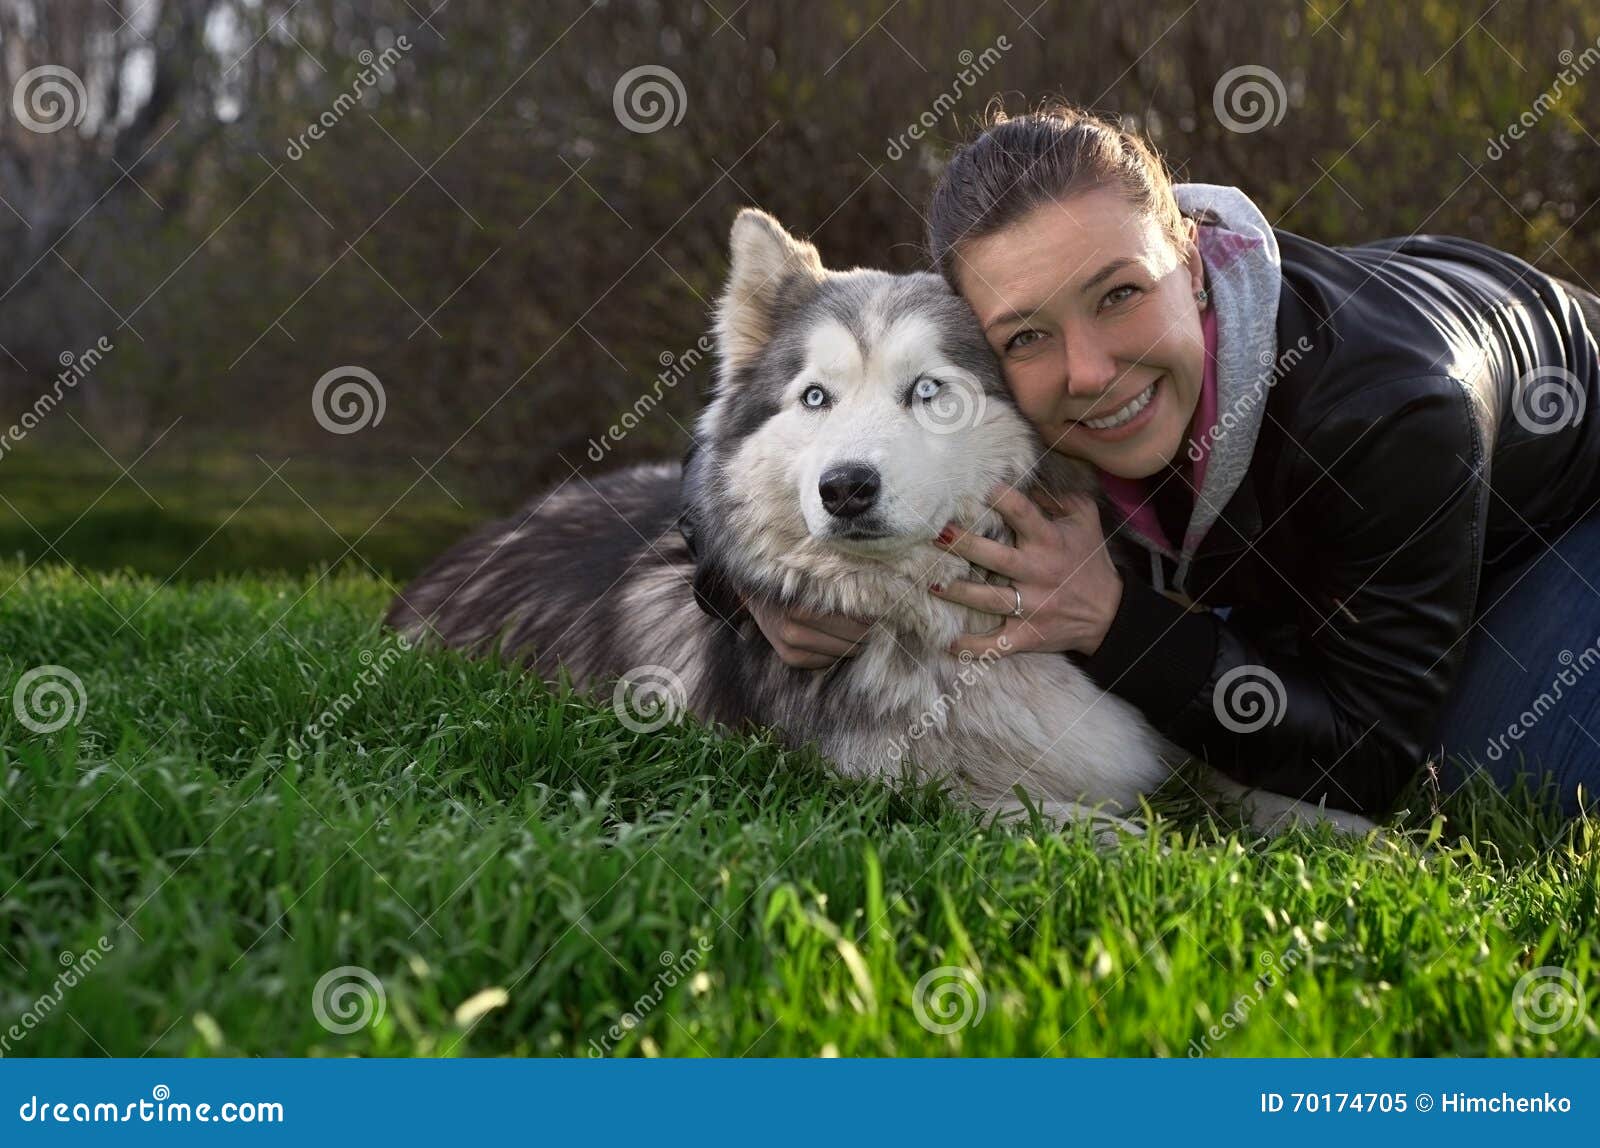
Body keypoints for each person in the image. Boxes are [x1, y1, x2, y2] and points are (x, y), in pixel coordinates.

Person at [681, 103, 1600, 821]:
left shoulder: (1389, 412)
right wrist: (738, 583)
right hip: (1364, 512)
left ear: (1192, 260)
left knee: (1490, 778)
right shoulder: (983, 391)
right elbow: (761, 427)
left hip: (1557, 513)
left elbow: (1365, 759)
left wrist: (1122, 625)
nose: (1089, 372)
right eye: (1031, 332)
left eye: (1120, 294)